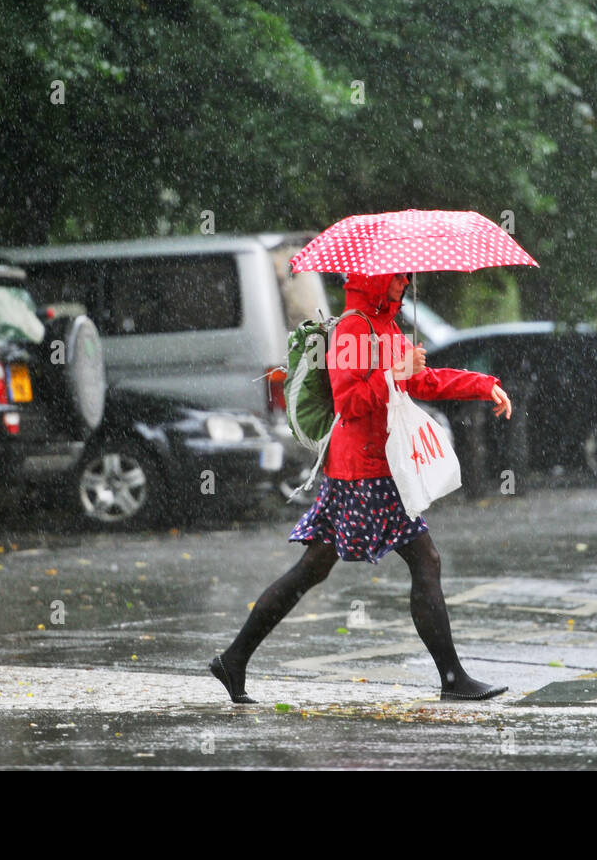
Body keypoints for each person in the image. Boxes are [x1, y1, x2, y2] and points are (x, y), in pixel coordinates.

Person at [210, 271, 513, 703]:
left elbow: (421, 382)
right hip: (364, 471)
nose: (405, 282)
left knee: (312, 568)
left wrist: (484, 385)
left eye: (407, 277)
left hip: (365, 467)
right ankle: (452, 680)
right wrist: (393, 372)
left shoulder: (387, 326)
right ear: (375, 279)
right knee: (425, 558)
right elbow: (349, 402)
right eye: (398, 276)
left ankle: (233, 659)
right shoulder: (353, 328)